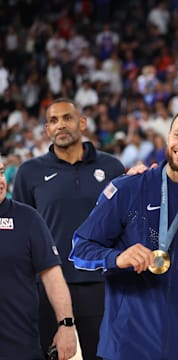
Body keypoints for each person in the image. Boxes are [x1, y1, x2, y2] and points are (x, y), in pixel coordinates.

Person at [69, 106, 178, 359]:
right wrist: (116, 258)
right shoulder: (128, 189)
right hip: (128, 348)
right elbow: (80, 248)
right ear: (168, 136)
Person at [12, 98, 124, 359]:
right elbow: (20, 230)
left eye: (67, 118)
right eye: (53, 121)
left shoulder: (112, 168)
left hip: (100, 285)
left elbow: (124, 224)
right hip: (48, 287)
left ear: (82, 123)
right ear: (47, 130)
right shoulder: (30, 172)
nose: (60, 125)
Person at [0, 158, 77, 360]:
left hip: (20, 348)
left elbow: (53, 278)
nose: (0, 180)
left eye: (0, 173)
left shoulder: (28, 219)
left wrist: (66, 325)